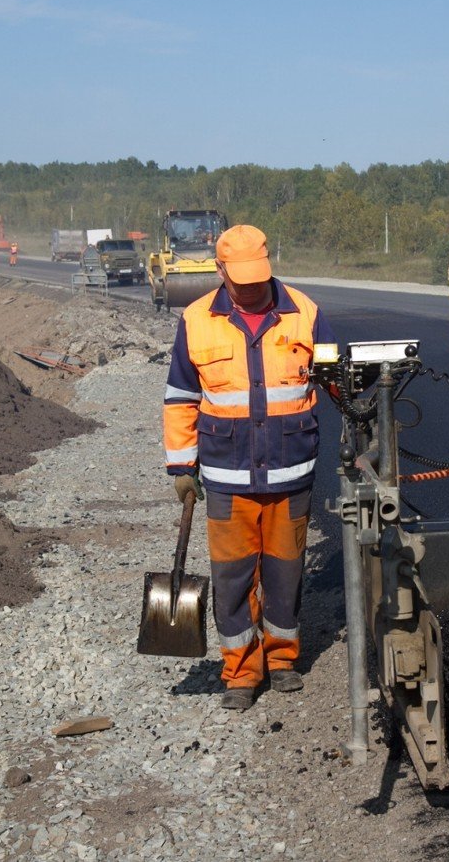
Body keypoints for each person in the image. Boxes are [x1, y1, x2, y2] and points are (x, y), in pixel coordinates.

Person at [163, 224, 336, 711]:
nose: (252, 287)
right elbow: (181, 397)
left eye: (258, 277)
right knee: (233, 578)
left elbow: (337, 377)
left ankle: (281, 660)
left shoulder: (305, 313)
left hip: (290, 472)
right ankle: (240, 670)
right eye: (240, 279)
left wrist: (365, 409)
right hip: (227, 478)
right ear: (220, 271)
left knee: (285, 573)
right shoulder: (197, 320)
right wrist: (181, 465)